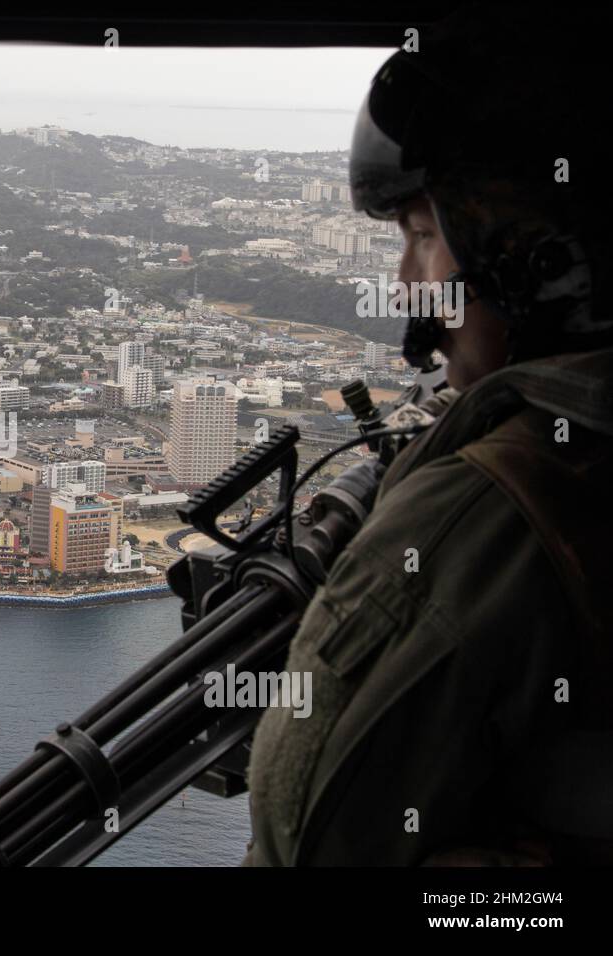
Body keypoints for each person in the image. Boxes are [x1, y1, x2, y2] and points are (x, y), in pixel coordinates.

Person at [243, 10, 613, 865]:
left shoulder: (486, 508)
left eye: (421, 236)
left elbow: (304, 837)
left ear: (534, 255)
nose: (407, 283)